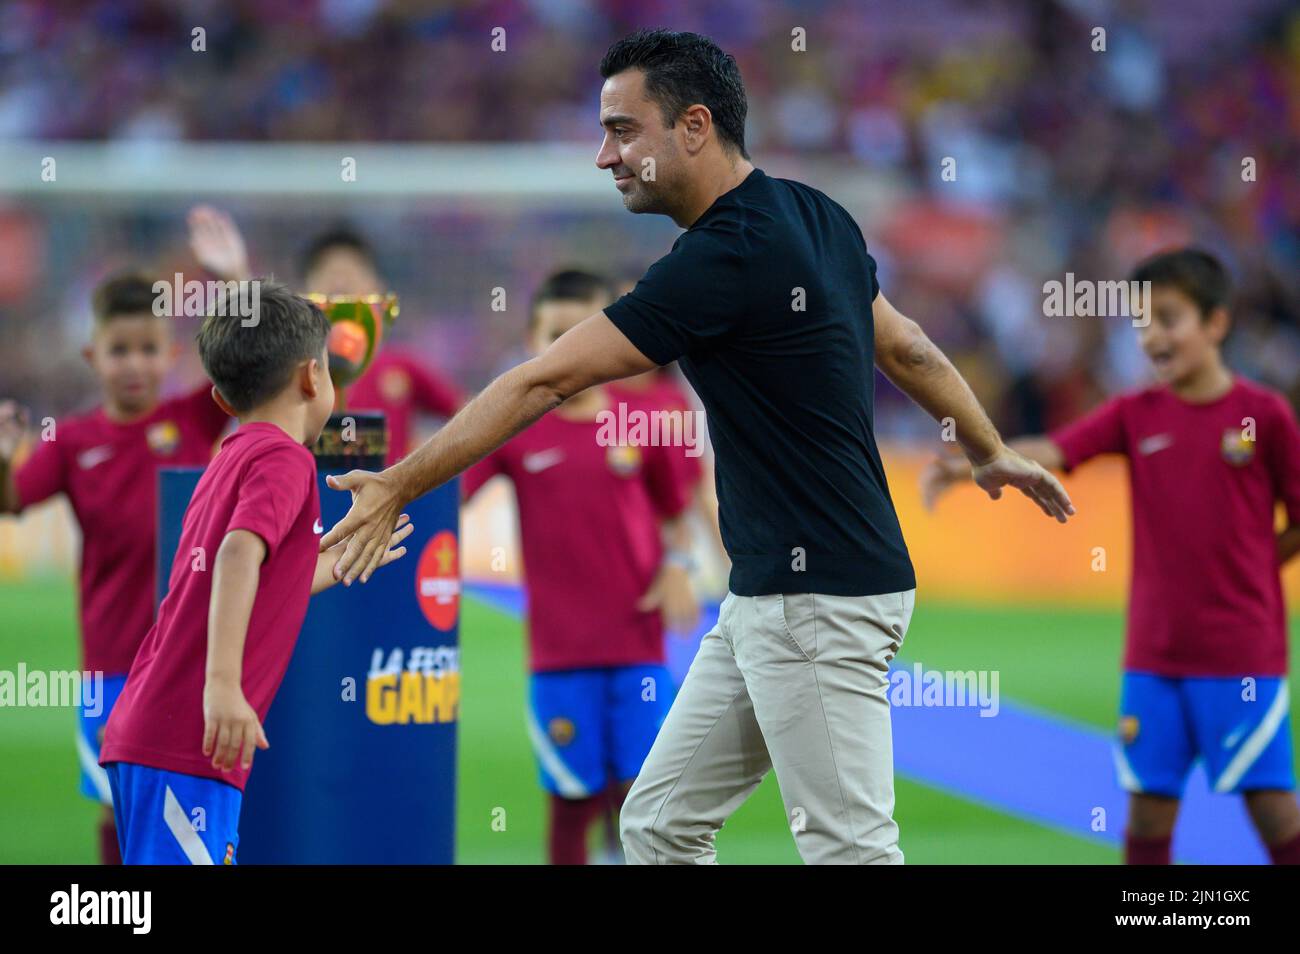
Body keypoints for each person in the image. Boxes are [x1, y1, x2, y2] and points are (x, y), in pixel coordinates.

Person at [318, 28, 1072, 865]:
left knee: (851, 851)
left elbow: (541, 382)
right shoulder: (818, 214)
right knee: (659, 827)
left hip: (817, 598)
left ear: (694, 126)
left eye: (622, 130)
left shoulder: (717, 261)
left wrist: (397, 484)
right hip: (774, 596)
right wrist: (987, 446)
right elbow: (911, 348)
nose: (605, 156)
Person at [923, 248, 1300, 865]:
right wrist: (975, 460)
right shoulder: (1136, 414)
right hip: (1153, 656)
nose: (1152, 335)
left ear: (1216, 324)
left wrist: (1257, 567)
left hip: (1243, 657)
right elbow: (1054, 447)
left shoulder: (1264, 418)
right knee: (1148, 816)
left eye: (1169, 318)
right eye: (1142, 322)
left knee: (1272, 809)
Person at [97, 283, 412, 864]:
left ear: (219, 398)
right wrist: (221, 686)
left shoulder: (232, 456)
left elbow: (265, 573)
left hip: (162, 733)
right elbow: (237, 556)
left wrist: (342, 560)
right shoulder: (286, 458)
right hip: (185, 735)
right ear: (312, 378)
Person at [463, 268, 699, 864]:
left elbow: (677, 511)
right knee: (571, 802)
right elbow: (450, 496)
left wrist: (677, 566)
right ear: (530, 341)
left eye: (585, 333)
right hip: (559, 654)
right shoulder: (512, 428)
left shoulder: (644, 418)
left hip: (639, 644)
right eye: (554, 335)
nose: (568, 350)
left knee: (642, 799)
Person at [0, 273, 230, 864]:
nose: (135, 364)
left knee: (193, 801)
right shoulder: (72, 442)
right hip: (111, 664)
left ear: (172, 354)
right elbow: (12, 500)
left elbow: (249, 362)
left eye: (149, 349)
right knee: (115, 804)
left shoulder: (194, 418)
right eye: (119, 349)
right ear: (91, 356)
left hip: (189, 660)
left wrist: (233, 281)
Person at [188, 207, 462, 465]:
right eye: (327, 274)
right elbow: (255, 342)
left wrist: (430, 469)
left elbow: (467, 414)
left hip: (391, 508)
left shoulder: (403, 367)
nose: (340, 283)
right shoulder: (288, 368)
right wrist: (236, 280)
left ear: (377, 288)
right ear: (304, 292)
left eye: (352, 273)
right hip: (308, 500)